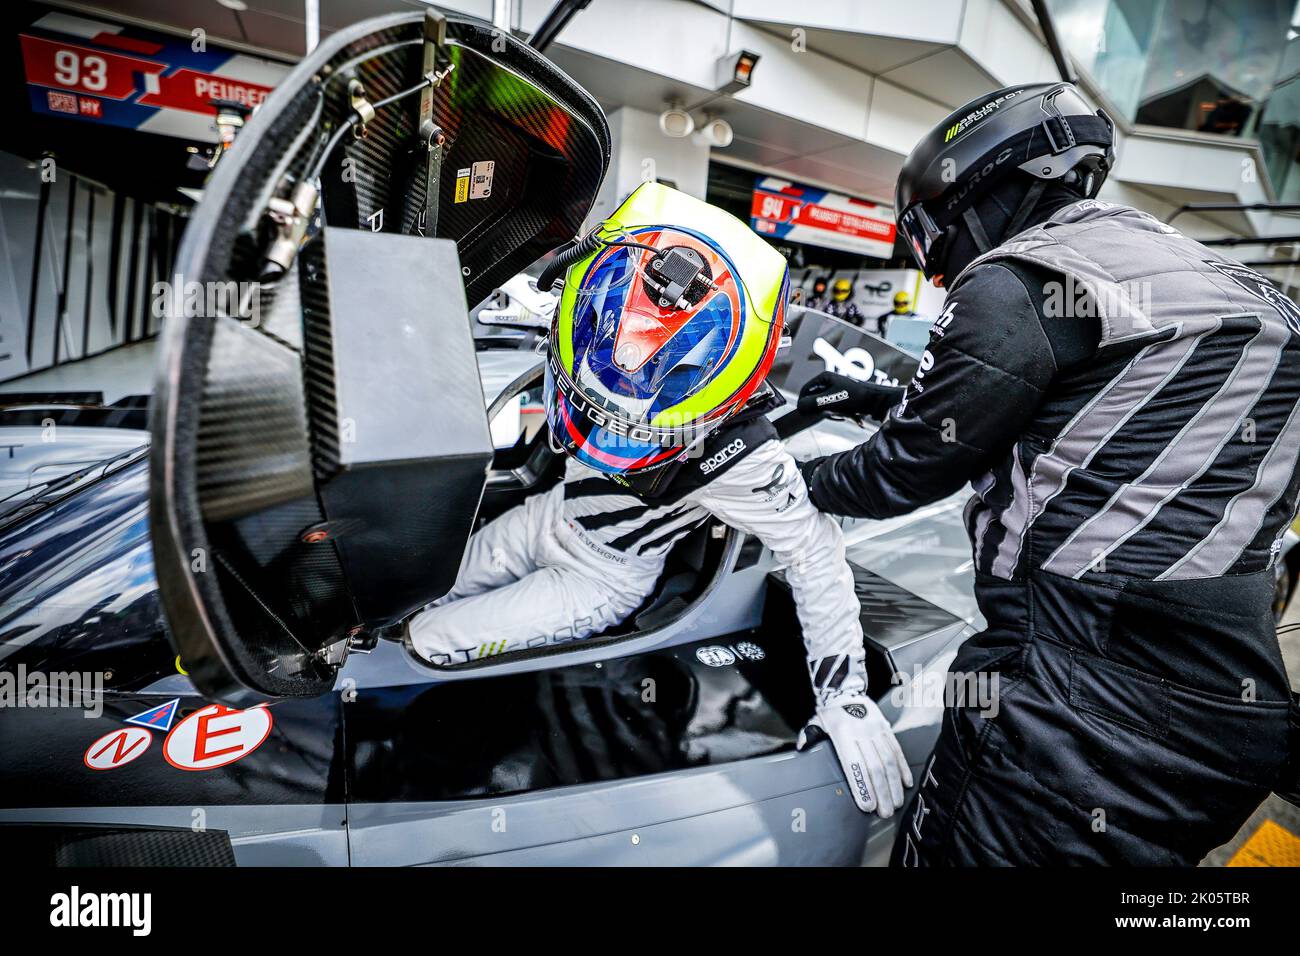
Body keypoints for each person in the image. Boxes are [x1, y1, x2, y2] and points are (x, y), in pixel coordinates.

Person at [797, 81, 1300, 865]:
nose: (938, 275)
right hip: (1230, 701)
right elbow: (1087, 414)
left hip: (1072, 704)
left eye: (933, 246)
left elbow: (907, 469)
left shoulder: (1022, 273)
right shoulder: (1226, 286)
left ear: (967, 191)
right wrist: (878, 396)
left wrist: (784, 485)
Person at [409, 181, 912, 819]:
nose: (617, 395)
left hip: (601, 576)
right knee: (414, 595)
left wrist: (845, 697)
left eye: (649, 385)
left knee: (427, 639)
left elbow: (817, 558)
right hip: (548, 516)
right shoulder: (599, 303)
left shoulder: (747, 455)